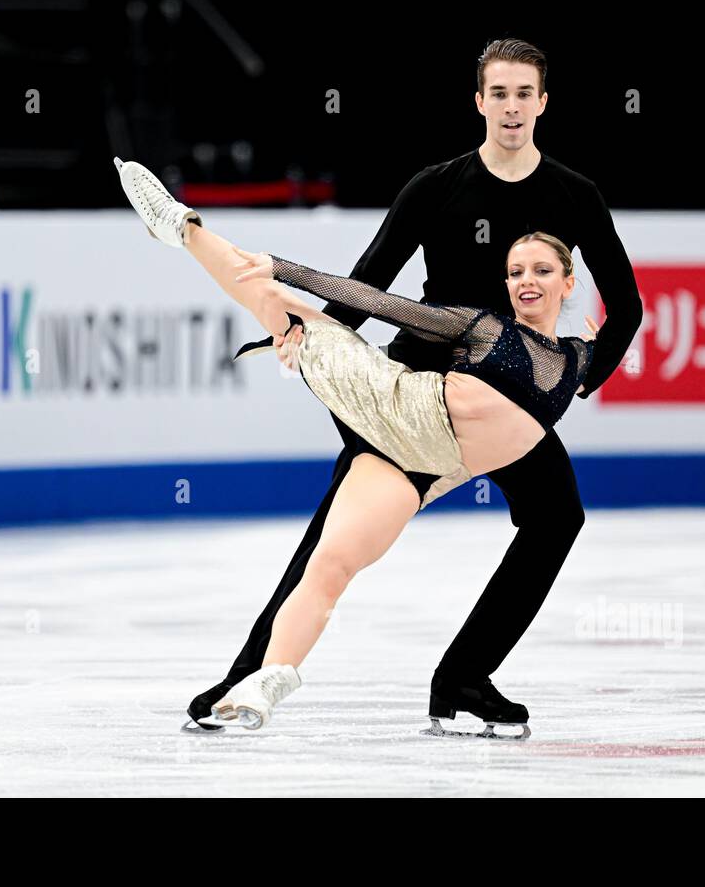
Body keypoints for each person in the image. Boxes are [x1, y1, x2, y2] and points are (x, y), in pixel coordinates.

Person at [169, 38, 643, 736]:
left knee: (555, 516)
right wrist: (317, 339)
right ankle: (249, 675)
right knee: (335, 539)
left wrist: (573, 387)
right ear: (479, 102)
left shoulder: (575, 195)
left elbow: (625, 307)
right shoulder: (436, 186)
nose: (511, 108)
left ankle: (463, 679)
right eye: (499, 94)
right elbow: (370, 286)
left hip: (502, 402)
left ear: (543, 103)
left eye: (524, 95)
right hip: (415, 387)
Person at [118, 157, 600, 733]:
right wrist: (283, 267)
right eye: (517, 270)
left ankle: (269, 679)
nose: (526, 281)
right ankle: (184, 227)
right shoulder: (483, 327)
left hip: (419, 467)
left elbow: (619, 319)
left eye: (542, 271)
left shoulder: (579, 356)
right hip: (385, 399)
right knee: (280, 309)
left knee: (335, 561)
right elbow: (381, 302)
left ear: (568, 282)